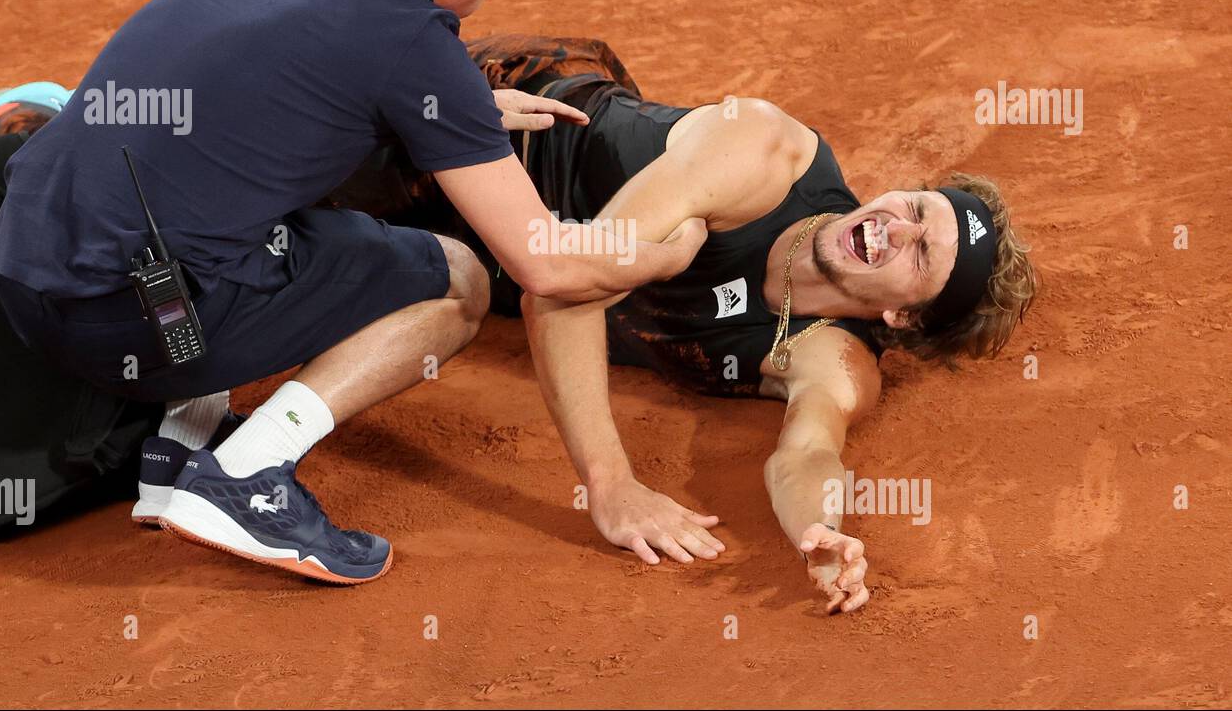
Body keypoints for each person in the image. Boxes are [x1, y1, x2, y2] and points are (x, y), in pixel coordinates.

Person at [0, 0, 705, 586]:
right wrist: (666, 254)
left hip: (21, 265)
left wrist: (461, 112)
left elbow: (265, 87)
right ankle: (246, 475)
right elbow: (543, 265)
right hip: (130, 323)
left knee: (229, 197)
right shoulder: (413, 45)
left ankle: (180, 442)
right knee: (457, 282)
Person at [351, 34, 1037, 612]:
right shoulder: (763, 154)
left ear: (902, 316)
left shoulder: (836, 358)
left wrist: (820, 531)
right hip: (501, 132)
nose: (896, 226)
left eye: (921, 253)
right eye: (916, 206)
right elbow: (558, 286)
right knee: (288, 164)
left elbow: (806, 454)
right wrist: (612, 486)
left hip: (478, 259)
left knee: (371, 270)